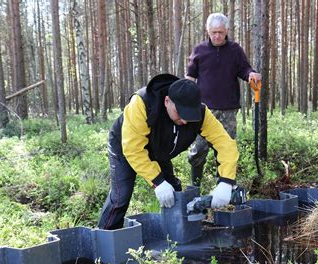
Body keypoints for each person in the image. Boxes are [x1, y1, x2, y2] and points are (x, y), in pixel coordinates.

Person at [97, 73, 239, 230]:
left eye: (189, 116)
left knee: (174, 193)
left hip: (159, 149)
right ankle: (105, 240)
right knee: (120, 198)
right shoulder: (142, 103)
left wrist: (226, 181)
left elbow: (225, 143)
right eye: (181, 114)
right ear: (167, 102)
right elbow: (133, 149)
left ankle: (174, 239)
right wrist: (157, 182)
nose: (185, 121)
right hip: (125, 146)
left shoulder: (202, 114)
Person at [185, 13, 261, 187]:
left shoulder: (235, 50)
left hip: (228, 110)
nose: (217, 36)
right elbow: (190, 77)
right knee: (198, 150)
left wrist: (251, 75)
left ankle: (225, 187)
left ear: (227, 30)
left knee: (226, 150)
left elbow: (244, 69)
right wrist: (185, 99)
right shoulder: (199, 50)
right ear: (208, 31)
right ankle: (195, 186)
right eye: (213, 32)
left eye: (220, 32)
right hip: (203, 111)